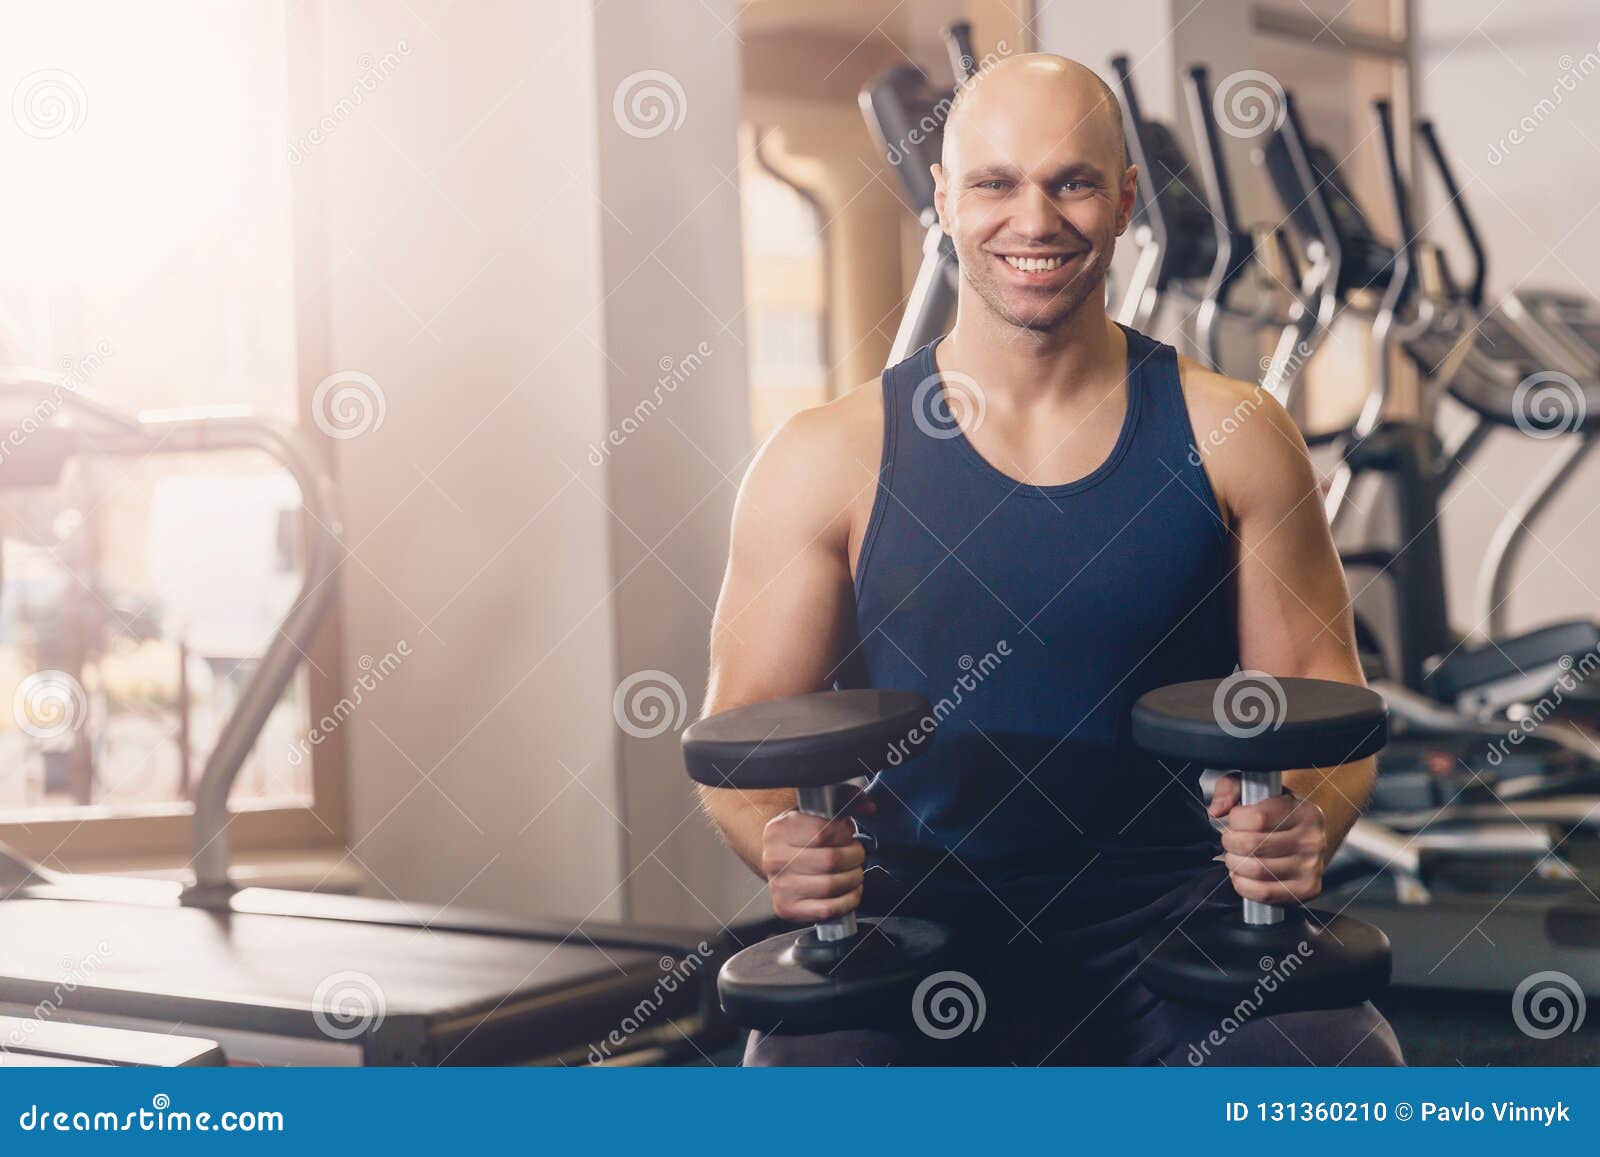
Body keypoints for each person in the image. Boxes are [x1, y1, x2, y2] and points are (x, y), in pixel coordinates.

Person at [695, 53, 1403, 1066]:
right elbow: (740, 739)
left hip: (1176, 913)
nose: (1034, 220)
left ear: (1122, 202)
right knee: (800, 1083)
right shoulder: (824, 458)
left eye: (1071, 182)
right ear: (941, 198)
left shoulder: (1235, 431)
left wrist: (1305, 825)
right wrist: (781, 843)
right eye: (994, 183)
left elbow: (1329, 697)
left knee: (1341, 1074)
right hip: (912, 920)